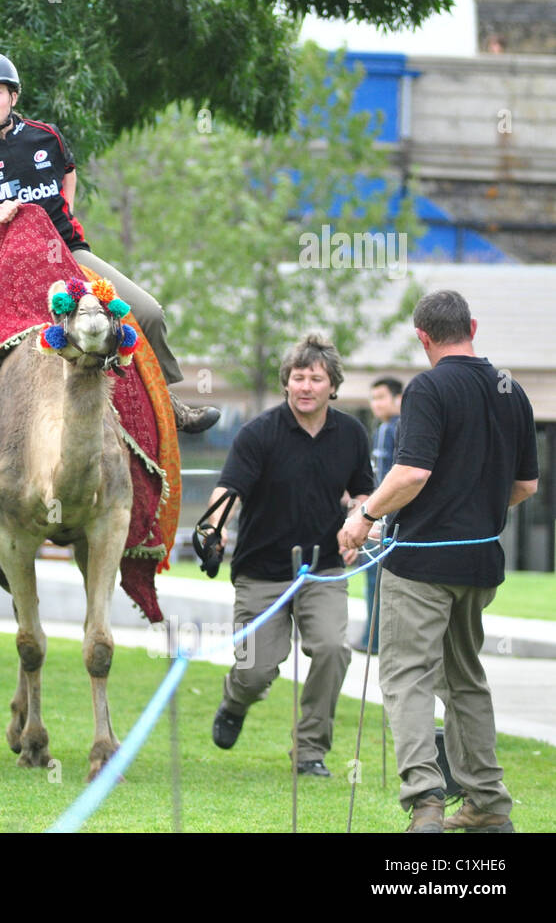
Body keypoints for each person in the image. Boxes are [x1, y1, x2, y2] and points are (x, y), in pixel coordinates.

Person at [0, 49, 219, 448]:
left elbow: (69, 172)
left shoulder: (48, 135)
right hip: (4, 264)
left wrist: (62, 215)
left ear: (13, 96)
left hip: (66, 254)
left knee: (148, 313)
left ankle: (170, 404)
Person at [339, 291, 538, 833]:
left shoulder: (428, 387)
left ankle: (426, 802)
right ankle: (489, 806)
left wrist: (364, 517)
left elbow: (411, 474)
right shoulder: (511, 390)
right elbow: (525, 485)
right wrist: (475, 510)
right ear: (472, 325)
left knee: (406, 677)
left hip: (421, 563)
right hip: (480, 564)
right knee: (465, 680)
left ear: (422, 336)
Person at [206, 333, 373, 777]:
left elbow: (362, 493)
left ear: (331, 386)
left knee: (333, 649)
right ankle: (235, 700)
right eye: (297, 377)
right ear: (286, 383)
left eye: (315, 378)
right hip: (261, 572)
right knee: (255, 672)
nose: (305, 386)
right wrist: (211, 529)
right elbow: (229, 490)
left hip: (323, 571)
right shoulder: (258, 433)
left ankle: (310, 751)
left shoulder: (352, 434)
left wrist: (359, 521)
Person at [353, 375, 402, 653]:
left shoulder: (387, 430)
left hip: (381, 520)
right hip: (395, 520)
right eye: (373, 398)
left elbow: (383, 479)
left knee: (375, 578)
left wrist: (370, 514)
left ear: (398, 399)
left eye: (382, 397)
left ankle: (372, 640)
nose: (376, 404)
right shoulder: (401, 428)